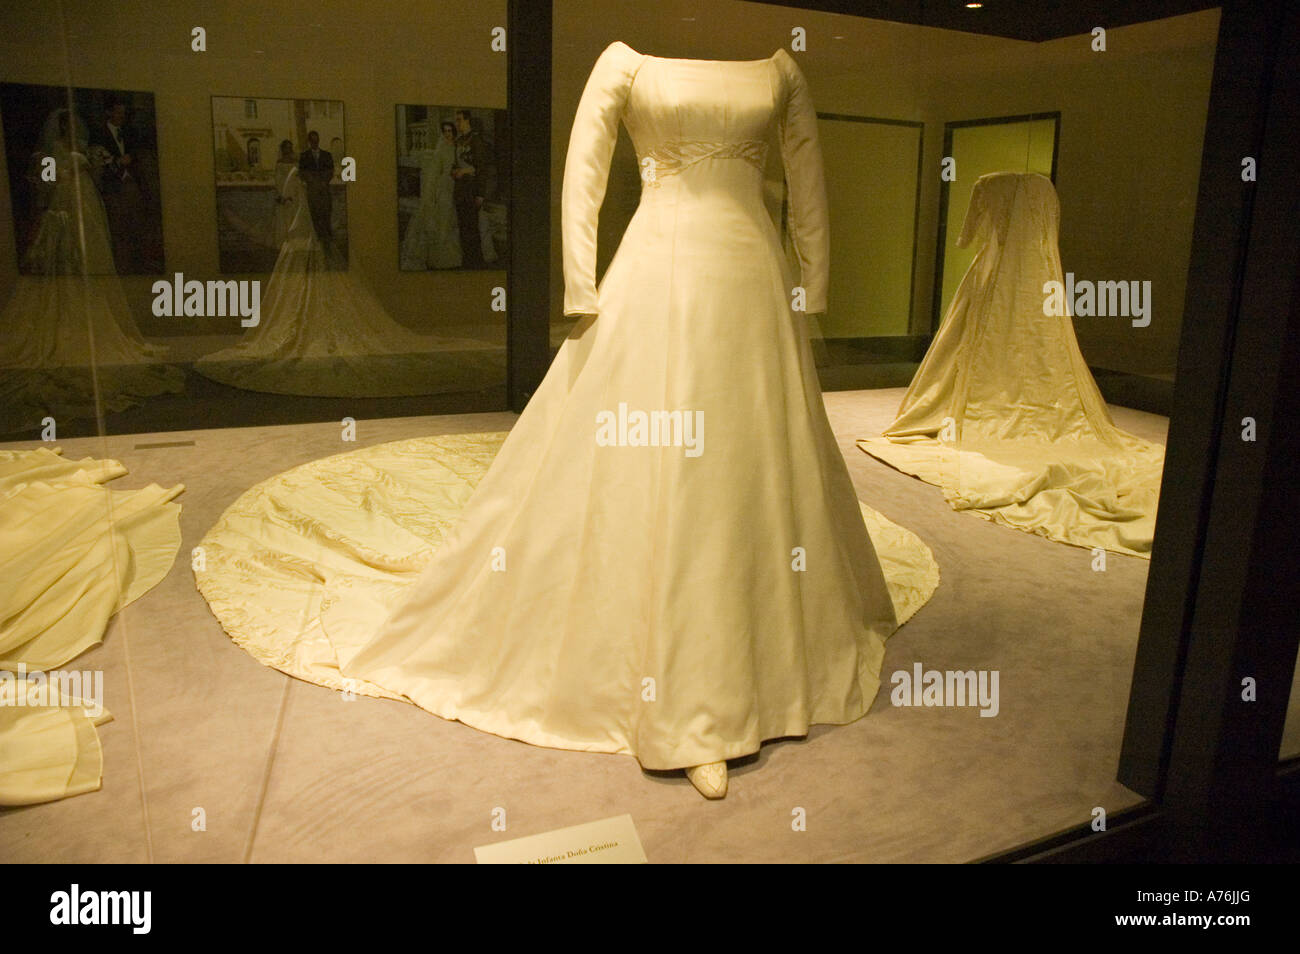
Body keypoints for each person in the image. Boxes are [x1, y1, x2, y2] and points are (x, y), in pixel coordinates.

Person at [400, 120, 462, 270]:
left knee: (451, 219)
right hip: (443, 186)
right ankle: (439, 257)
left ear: (454, 132)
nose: (448, 134)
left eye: (450, 131)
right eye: (445, 131)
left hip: (456, 184)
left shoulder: (457, 146)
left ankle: (451, 254)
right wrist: (433, 192)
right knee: (442, 218)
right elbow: (434, 173)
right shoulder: (440, 148)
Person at [298, 130, 333, 249]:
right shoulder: (304, 156)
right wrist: (312, 181)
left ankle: (327, 236)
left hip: (324, 189)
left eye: (316, 141)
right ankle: (317, 236)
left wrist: (324, 182)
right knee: (314, 213)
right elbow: (302, 172)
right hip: (312, 190)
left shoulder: (327, 155)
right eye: (312, 141)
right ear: (309, 141)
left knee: (326, 211)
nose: (315, 143)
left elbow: (330, 170)